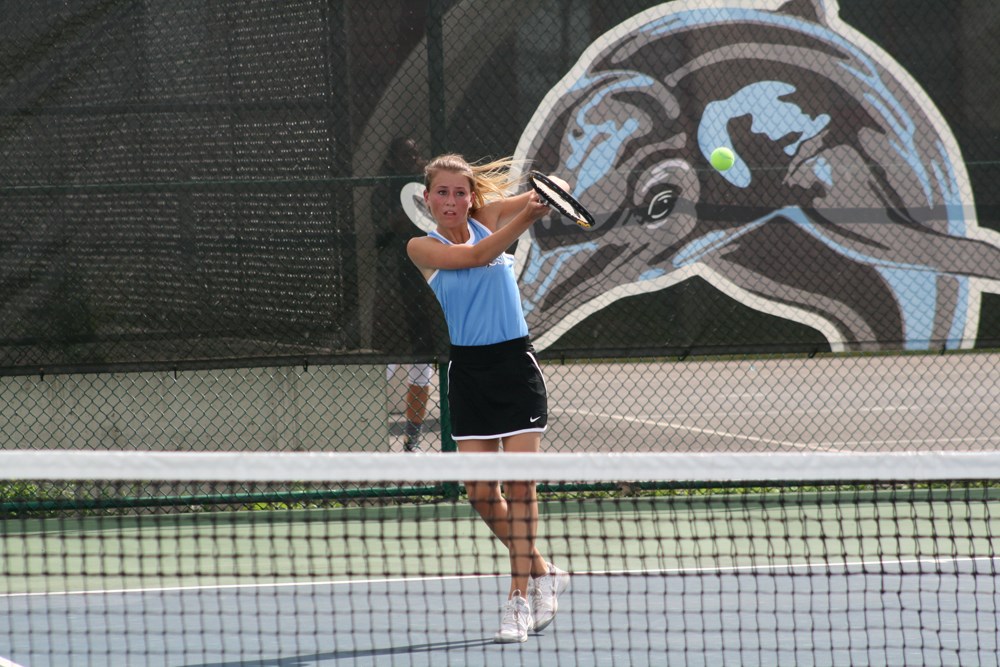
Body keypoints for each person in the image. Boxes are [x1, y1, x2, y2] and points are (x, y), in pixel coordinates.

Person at [406, 154, 570, 643]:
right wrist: (525, 218)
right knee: (480, 494)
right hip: (471, 374)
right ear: (427, 198)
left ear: (471, 197)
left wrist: (549, 190)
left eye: (461, 192)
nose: (452, 201)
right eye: (442, 193)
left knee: (521, 488)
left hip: (516, 368)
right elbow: (476, 259)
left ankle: (519, 597)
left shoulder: (488, 218)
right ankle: (543, 569)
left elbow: (552, 186)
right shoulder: (422, 247)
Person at [372, 138, 437, 452]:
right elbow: (378, 234)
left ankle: (412, 438)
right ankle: (367, 438)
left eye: (415, 152)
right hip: (393, 284)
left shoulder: (430, 186)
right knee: (388, 360)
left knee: (423, 364)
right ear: (393, 158)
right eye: (405, 153)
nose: (413, 157)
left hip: (425, 287)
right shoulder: (383, 189)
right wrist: (400, 215)